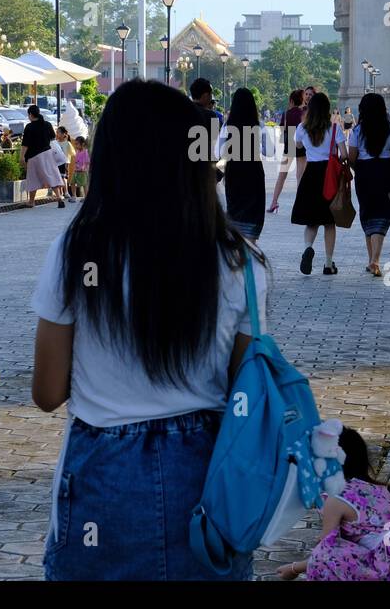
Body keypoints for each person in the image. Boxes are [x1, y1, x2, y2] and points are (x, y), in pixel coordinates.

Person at [31, 79, 266, 581]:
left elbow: (48, 392)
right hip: (207, 477)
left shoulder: (76, 252)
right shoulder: (239, 263)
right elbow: (243, 393)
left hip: (103, 477)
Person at [277, 425, 390, 581]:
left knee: (322, 560)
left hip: (387, 564)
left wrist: (294, 569)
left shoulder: (335, 499)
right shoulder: (370, 487)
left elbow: (324, 552)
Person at [291, 92, 345, 275]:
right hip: (329, 176)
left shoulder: (302, 127)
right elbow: (344, 155)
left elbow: (297, 146)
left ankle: (308, 248)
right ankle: (329, 264)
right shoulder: (334, 129)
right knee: (329, 222)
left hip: (311, 174)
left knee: (311, 221)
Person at [348, 93, 390, 277]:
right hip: (385, 172)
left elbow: (351, 157)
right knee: (383, 214)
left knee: (368, 213)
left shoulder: (357, 131)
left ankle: (373, 260)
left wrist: (359, 169)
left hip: (364, 173)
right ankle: (374, 261)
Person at [222, 87, 269, 241]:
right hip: (253, 170)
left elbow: (218, 152)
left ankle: (236, 245)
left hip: (234, 170)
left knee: (235, 209)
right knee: (253, 211)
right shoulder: (259, 125)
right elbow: (270, 151)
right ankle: (251, 245)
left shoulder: (227, 126)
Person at [268, 89, 307, 214]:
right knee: (300, 176)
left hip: (289, 143)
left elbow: (281, 130)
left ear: (291, 100)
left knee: (282, 175)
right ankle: (300, 204)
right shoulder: (304, 113)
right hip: (301, 144)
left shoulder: (286, 113)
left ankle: (274, 202)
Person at [21, 105, 65, 208]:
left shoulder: (29, 127)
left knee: (33, 178)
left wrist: (22, 157)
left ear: (31, 115)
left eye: (28, 115)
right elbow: (52, 139)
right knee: (51, 175)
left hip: (34, 156)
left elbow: (25, 144)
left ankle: (31, 201)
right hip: (48, 154)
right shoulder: (48, 124)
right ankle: (59, 197)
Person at [55, 126, 77, 201]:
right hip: (57, 162)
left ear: (63, 134)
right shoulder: (56, 142)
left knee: (63, 177)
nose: (56, 134)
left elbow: (73, 153)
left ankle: (66, 192)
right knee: (58, 177)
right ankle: (61, 193)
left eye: (58, 132)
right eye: (56, 132)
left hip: (64, 162)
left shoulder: (67, 143)